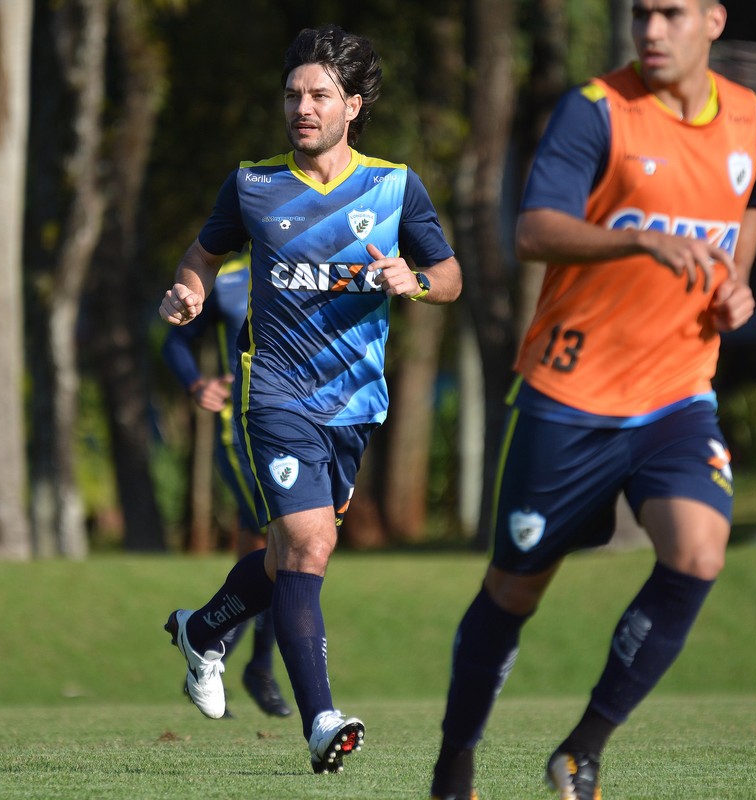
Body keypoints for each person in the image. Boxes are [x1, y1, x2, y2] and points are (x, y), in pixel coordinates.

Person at [428, 2, 756, 799]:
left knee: (698, 552)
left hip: (676, 396)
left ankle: (582, 751)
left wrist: (736, 283)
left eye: (671, 13)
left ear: (714, 21)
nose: (651, 30)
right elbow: (534, 232)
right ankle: (455, 762)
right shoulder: (596, 112)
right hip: (568, 396)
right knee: (515, 590)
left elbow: (753, 200)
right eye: (641, 13)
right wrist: (640, 237)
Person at [158, 24, 461, 775]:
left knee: (285, 556)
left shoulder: (395, 187)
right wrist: (190, 292)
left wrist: (413, 283)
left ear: (352, 106)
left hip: (355, 405)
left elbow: (450, 277)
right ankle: (322, 718)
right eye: (294, 94)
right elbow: (203, 254)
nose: (303, 107)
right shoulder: (253, 183)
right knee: (312, 547)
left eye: (320, 95)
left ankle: (203, 630)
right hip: (276, 394)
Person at [160, 250, 292, 719]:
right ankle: (243, 661)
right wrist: (197, 385)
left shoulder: (312, 265)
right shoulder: (228, 280)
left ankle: (213, 647)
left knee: (280, 549)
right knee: (283, 543)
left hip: (295, 424)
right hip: (236, 430)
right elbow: (175, 342)